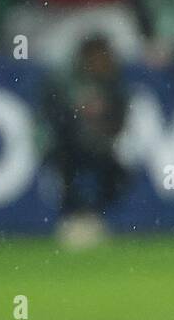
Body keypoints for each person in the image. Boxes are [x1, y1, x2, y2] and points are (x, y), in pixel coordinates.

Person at [39, 34, 131, 247]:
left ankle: (90, 216)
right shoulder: (62, 80)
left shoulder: (113, 82)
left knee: (118, 176)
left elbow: (120, 121)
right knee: (66, 167)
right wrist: (78, 116)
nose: (104, 61)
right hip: (65, 145)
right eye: (99, 56)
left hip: (98, 146)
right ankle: (73, 218)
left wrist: (103, 128)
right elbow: (51, 119)